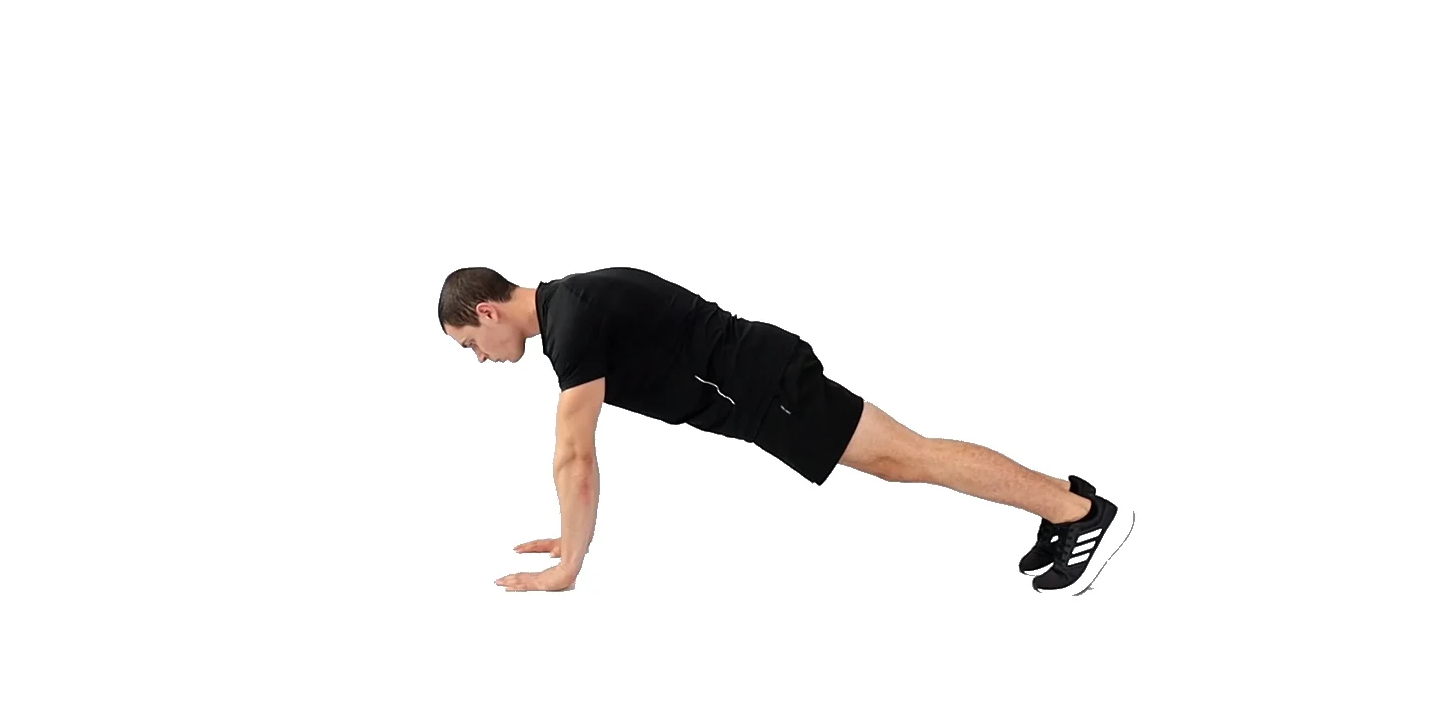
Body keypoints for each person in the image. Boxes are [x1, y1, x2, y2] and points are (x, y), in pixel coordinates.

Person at [438, 266, 1133, 595]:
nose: (480, 359)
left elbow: (575, 457)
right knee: (908, 457)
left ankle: (1079, 513)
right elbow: (577, 462)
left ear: (488, 312)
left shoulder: (573, 326)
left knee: (908, 458)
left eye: (470, 344)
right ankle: (1063, 503)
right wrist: (573, 534)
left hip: (766, 388)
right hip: (764, 383)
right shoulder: (574, 303)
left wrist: (570, 565)